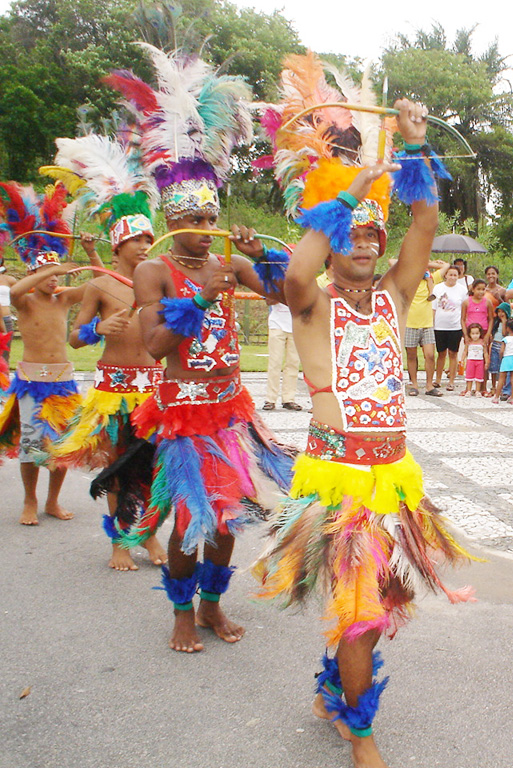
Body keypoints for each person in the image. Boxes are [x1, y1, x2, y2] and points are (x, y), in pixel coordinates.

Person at [251, 81, 473, 768]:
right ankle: (361, 729)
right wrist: (348, 194)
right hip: (339, 474)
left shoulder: (393, 295)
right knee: (359, 608)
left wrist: (413, 146)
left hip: (391, 475)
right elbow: (296, 269)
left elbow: (426, 226)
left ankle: (332, 688)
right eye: (355, 233)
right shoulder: (312, 302)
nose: (369, 243)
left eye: (375, 233)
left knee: (372, 602)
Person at [104, 44, 296, 652]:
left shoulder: (226, 260)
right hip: (183, 411)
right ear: (172, 211)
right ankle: (181, 615)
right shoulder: (155, 270)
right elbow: (158, 345)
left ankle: (212, 604)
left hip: (229, 407)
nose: (202, 218)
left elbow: (288, 293)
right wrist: (204, 301)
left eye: (210, 208)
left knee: (230, 522)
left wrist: (263, 255)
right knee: (192, 521)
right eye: (190, 209)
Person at [40, 136, 168, 569]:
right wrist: (98, 328)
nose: (144, 246)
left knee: (152, 468)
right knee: (117, 469)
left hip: (154, 392)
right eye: (136, 240)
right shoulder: (99, 285)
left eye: (148, 239)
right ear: (118, 246)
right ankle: (118, 542)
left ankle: (148, 536)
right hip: (113, 391)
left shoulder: (159, 281)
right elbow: (75, 338)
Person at [0, 182, 84, 526]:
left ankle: (52, 500)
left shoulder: (63, 299)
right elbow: (15, 288)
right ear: (35, 273)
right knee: (32, 447)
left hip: (63, 384)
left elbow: (94, 285)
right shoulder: (23, 298)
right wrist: (51, 270)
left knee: (62, 447)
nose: (54, 281)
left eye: (56, 274)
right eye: (46, 275)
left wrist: (91, 257)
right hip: (31, 382)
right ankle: (30, 500)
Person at [403, 259, 446, 397]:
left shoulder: (430, 278)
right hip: (410, 323)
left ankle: (429, 385)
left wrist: (428, 263)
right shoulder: (407, 279)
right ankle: (414, 384)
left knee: (430, 355)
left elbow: (446, 266)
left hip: (427, 324)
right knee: (411, 355)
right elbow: (393, 262)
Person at [432, 266, 467, 390]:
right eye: (450, 274)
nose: (452, 277)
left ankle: (451, 380)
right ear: (445, 275)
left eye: (455, 275)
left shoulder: (462, 290)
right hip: (439, 326)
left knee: (453, 354)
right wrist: (432, 324)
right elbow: (434, 307)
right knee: (441, 353)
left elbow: (464, 309)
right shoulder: (438, 288)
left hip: (455, 327)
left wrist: (464, 327)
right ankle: (437, 379)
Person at [264, 299, 302, 411]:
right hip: (277, 324)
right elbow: (269, 300)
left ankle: (289, 398)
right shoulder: (274, 281)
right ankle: (270, 399)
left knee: (293, 363)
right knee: (275, 362)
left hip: (295, 325)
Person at [493, 318, 513, 405]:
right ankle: (512, 397)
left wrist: (501, 357)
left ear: (508, 328)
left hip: (506, 359)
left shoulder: (506, 339)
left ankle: (496, 397)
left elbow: (502, 351)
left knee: (502, 378)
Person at [487, 301, 510, 397]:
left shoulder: (509, 323)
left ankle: (502, 387)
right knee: (493, 367)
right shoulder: (496, 322)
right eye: (499, 311)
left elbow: (505, 334)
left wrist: (504, 322)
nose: (500, 314)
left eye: (503, 312)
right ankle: (493, 386)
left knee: (502, 368)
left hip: (503, 346)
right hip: (495, 344)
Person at [460, 323, 487, 396]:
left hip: (480, 361)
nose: (475, 335)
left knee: (479, 376)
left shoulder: (482, 342)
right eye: (473, 333)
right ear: (469, 334)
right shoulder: (468, 342)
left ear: (480, 333)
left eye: (477, 333)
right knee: (469, 376)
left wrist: (487, 362)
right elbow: (465, 351)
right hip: (470, 361)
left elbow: (485, 352)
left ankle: (477, 390)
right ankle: (468, 390)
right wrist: (462, 360)